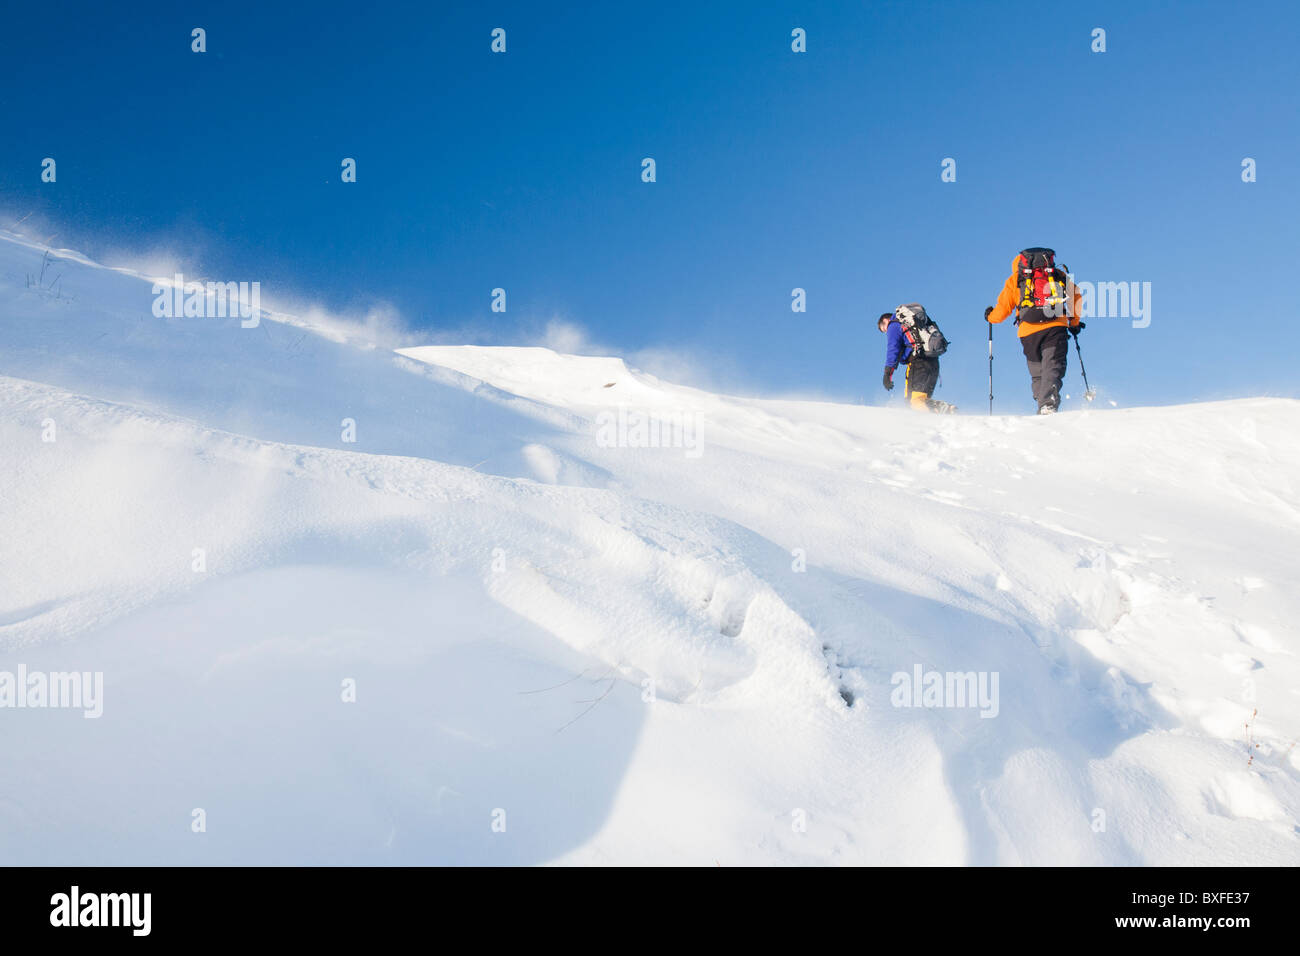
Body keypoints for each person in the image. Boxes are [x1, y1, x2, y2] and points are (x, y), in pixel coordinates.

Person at [984, 248, 1085, 414]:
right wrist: (1074, 322)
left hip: (1028, 332)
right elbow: (1076, 296)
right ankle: (1047, 405)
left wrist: (990, 317)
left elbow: (1002, 311)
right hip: (1055, 326)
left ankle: (1043, 404)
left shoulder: (1015, 279)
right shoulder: (1057, 274)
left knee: (1038, 372)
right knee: (1052, 367)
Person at [878, 310, 952, 413]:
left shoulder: (893, 324)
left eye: (884, 329)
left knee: (913, 402)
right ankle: (946, 411)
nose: (886, 331)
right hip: (933, 362)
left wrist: (887, 374)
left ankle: (944, 410)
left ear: (885, 320)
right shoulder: (913, 323)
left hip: (918, 364)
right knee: (922, 401)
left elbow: (893, 349)